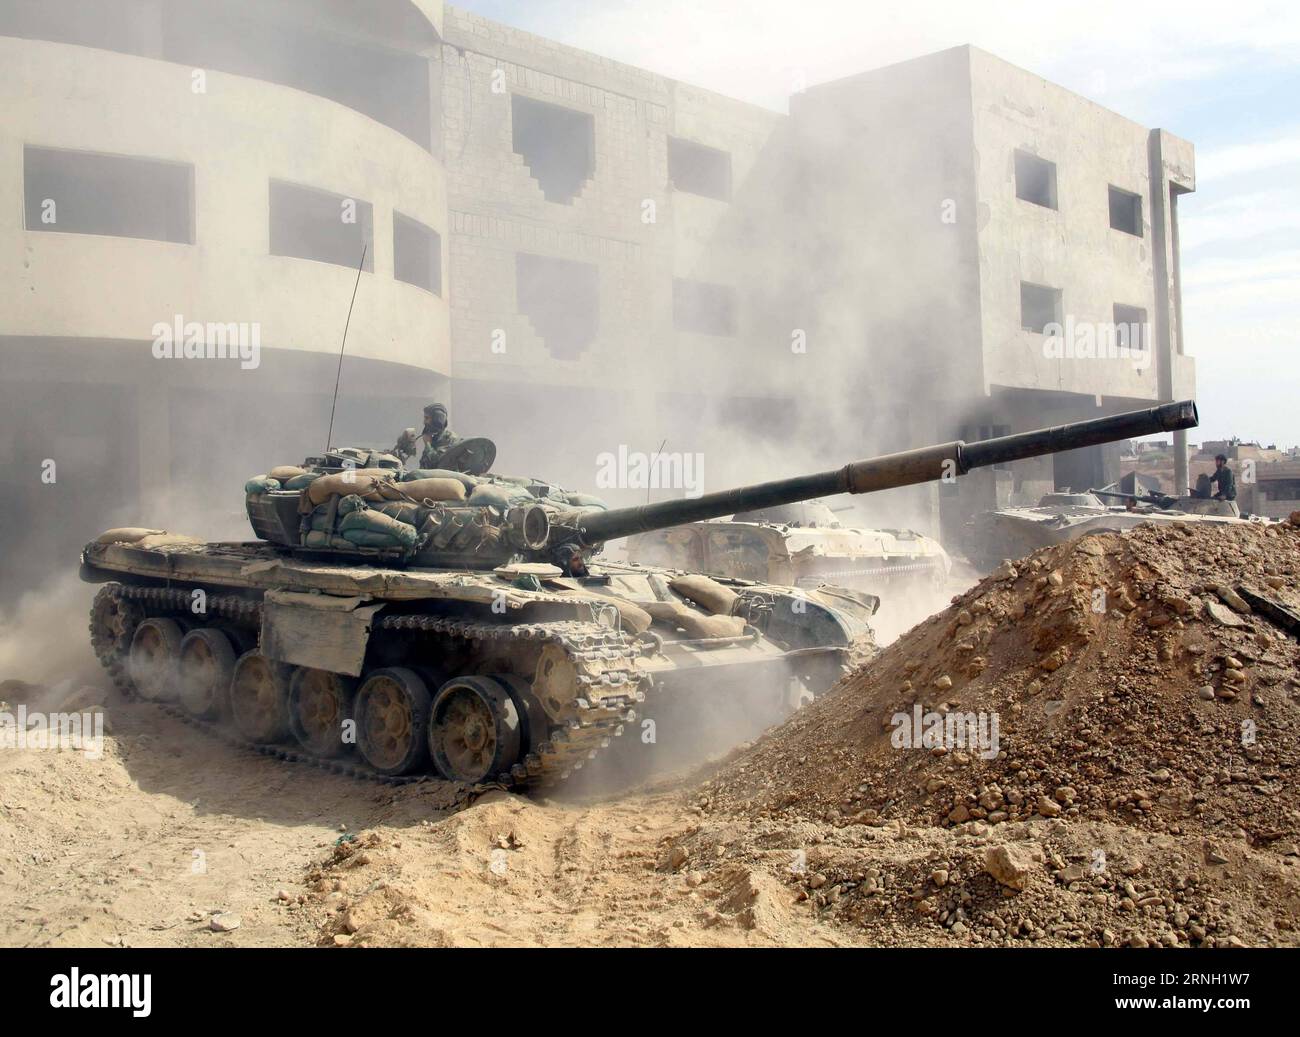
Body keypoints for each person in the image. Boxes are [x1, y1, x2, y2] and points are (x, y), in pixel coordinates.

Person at [394, 403, 462, 470]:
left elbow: (438, 463)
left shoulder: (450, 438)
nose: (424, 422)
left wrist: (428, 444)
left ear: (437, 420)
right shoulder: (434, 438)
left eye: (427, 418)